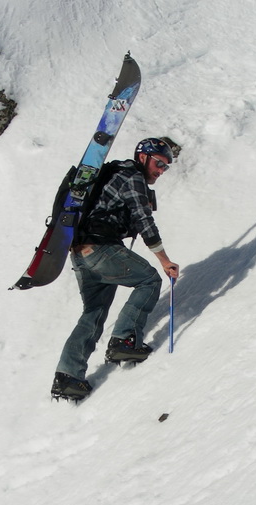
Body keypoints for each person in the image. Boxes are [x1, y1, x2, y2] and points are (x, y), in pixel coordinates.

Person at [52, 137, 182, 401]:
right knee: (149, 280)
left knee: (94, 313)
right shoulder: (132, 176)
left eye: (166, 167)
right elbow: (144, 220)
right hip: (100, 248)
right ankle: (124, 341)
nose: (160, 170)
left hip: (79, 252)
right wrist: (164, 260)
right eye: (159, 163)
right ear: (143, 157)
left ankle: (68, 377)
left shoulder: (116, 174)